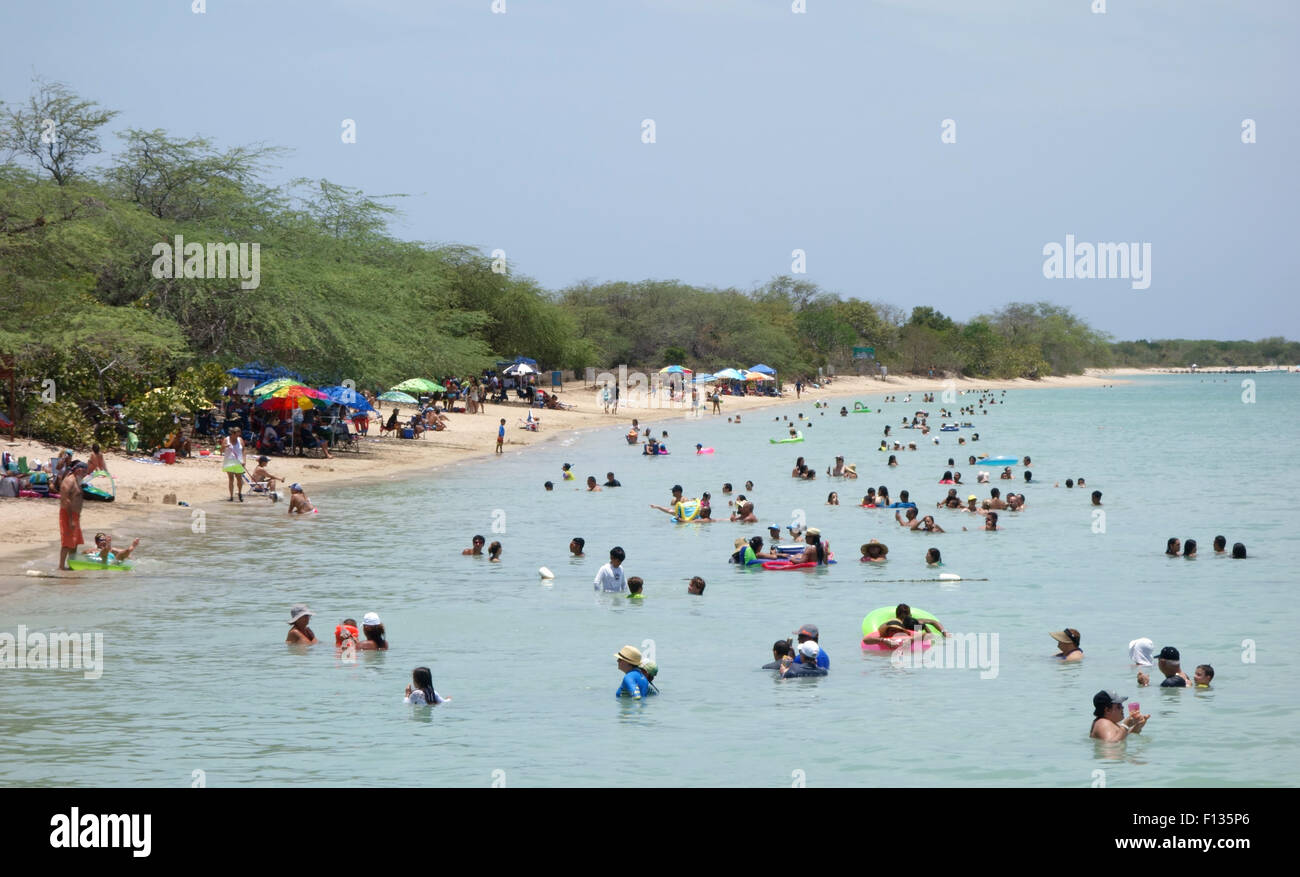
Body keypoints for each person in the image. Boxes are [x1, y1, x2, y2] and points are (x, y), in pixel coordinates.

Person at [57, 461, 88, 570]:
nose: (85, 475)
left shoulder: (77, 480)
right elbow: (66, 500)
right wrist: (71, 520)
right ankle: (61, 567)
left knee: (75, 542)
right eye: (84, 473)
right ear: (79, 470)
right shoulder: (69, 481)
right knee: (67, 542)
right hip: (68, 515)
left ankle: (72, 565)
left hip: (75, 516)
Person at [222, 427, 246, 502]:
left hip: (238, 461)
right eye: (236, 435)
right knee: (231, 479)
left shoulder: (240, 440)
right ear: (232, 434)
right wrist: (225, 446)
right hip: (229, 462)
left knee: (239, 479)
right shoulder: (226, 439)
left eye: (239, 435)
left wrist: (244, 460)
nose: (237, 437)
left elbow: (244, 450)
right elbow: (221, 450)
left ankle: (240, 493)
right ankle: (231, 496)